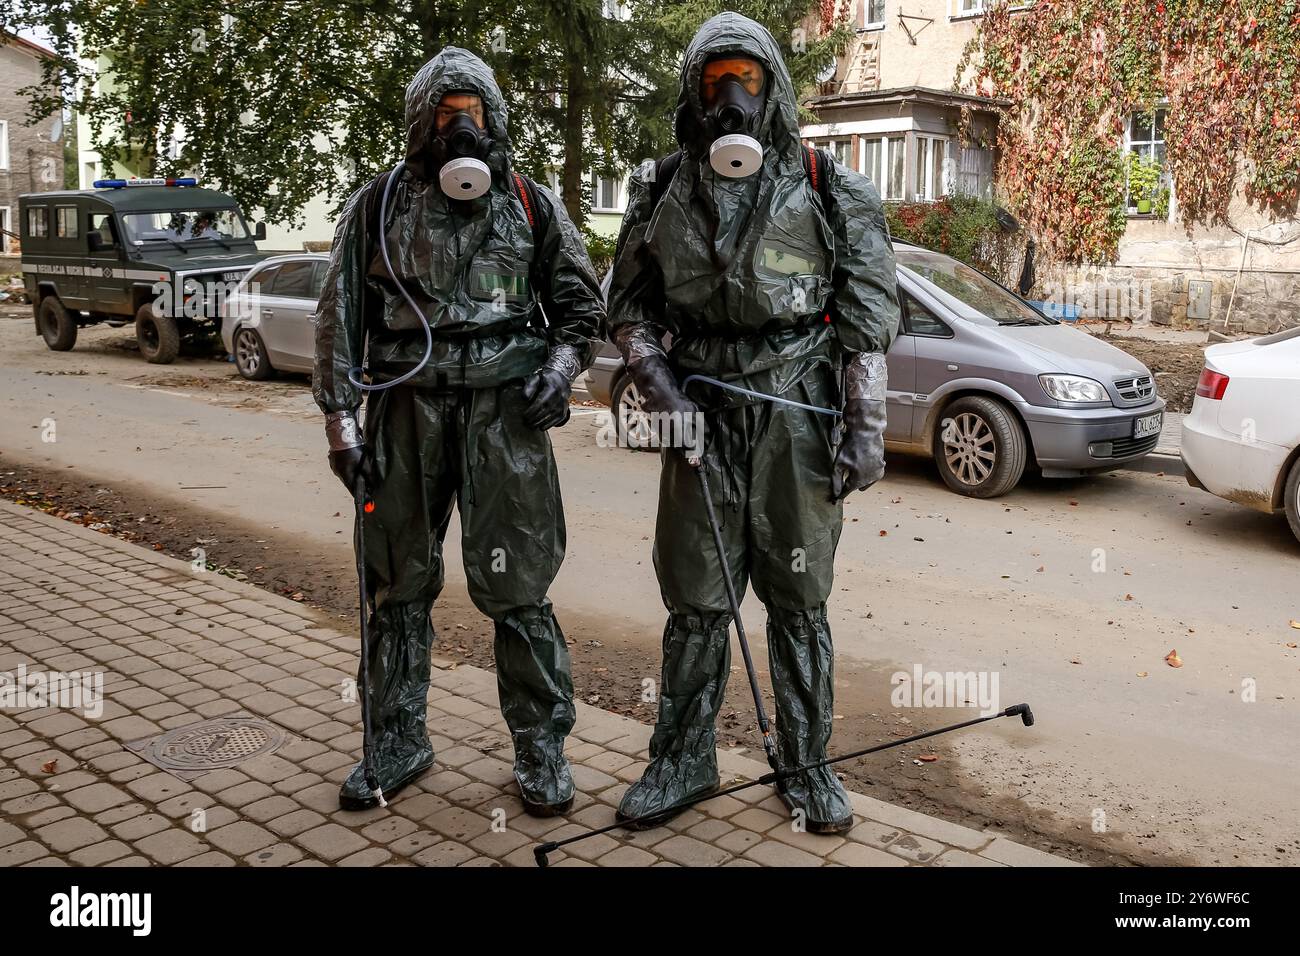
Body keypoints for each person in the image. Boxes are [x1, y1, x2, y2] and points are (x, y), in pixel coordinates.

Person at [607, 12, 899, 834]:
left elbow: (869, 305)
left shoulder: (824, 184)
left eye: (748, 77)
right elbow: (625, 306)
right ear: (695, 92)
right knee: (697, 601)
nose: (732, 97)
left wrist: (864, 415)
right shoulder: (663, 189)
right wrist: (660, 386)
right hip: (699, 413)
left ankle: (806, 768)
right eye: (714, 80)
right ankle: (681, 762)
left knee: (800, 600)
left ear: (772, 85)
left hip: (795, 415)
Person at [313, 47, 605, 816]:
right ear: (421, 124)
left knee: (519, 589)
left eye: (472, 115)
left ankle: (541, 745)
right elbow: (338, 318)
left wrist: (560, 367)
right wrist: (342, 424)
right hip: (406, 414)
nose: (460, 131)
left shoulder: (531, 204)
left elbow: (582, 309)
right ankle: (396, 737)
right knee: (395, 584)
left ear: (494, 119)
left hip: (504, 420)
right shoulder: (378, 206)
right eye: (445, 117)